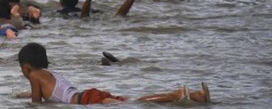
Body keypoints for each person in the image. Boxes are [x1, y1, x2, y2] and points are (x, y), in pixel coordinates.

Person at [17, 43, 211, 104]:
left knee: (137, 103)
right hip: (88, 94)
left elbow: (37, 104)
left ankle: (177, 95)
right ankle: (196, 95)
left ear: (26, 68)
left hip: (85, 101)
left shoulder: (34, 76)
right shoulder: (50, 74)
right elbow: (55, 94)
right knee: (131, 101)